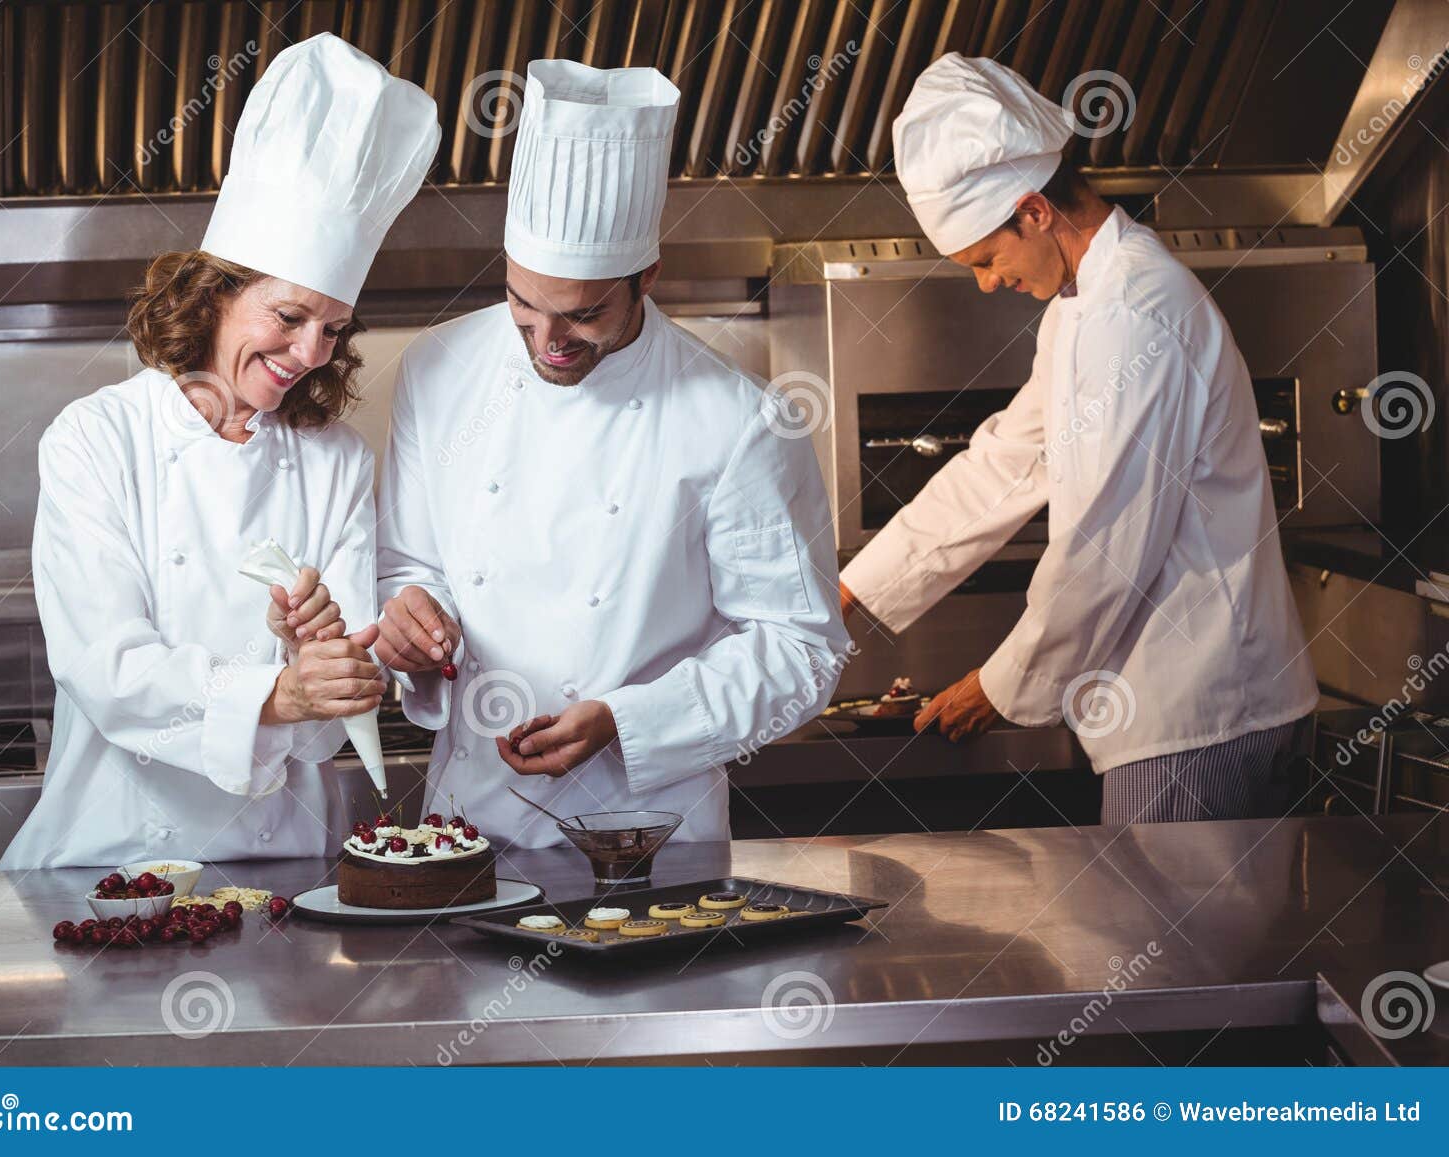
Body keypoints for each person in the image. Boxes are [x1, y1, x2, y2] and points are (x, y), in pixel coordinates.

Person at [374, 60, 848, 846]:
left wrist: (626, 721)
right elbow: (409, 566)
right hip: (466, 832)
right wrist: (411, 631)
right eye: (522, 306)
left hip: (647, 839)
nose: (548, 342)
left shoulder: (738, 419)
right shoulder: (438, 369)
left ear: (647, 279)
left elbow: (804, 652)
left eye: (582, 314)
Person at [838, 54, 1317, 824]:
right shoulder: (1084, 305)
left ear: (1033, 211)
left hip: (1203, 713)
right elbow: (1004, 463)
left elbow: (1104, 549)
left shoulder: (1132, 314)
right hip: (1187, 711)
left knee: (1161, 945)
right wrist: (853, 589)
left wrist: (998, 684)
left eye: (986, 260)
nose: (987, 283)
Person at [0, 35, 439, 868]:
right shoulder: (98, 439)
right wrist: (277, 688)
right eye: (289, 316)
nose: (312, 351)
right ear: (217, 290)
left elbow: (331, 713)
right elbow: (106, 667)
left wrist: (317, 659)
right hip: (113, 859)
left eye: (334, 328)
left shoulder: (336, 459)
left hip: (286, 867)